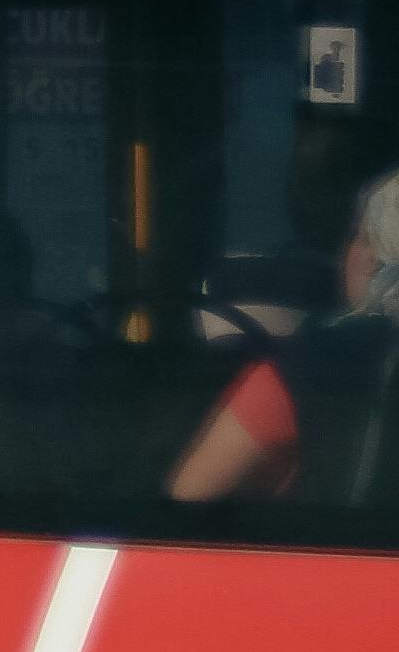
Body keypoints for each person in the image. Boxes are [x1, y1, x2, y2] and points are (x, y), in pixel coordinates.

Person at [168, 165, 399, 507]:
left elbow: (185, 506)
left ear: (382, 259)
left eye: (360, 235)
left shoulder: (314, 364)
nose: (348, 252)